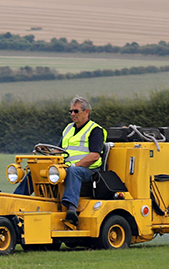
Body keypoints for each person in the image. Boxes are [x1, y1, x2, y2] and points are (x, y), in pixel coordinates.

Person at [15, 96, 105, 227]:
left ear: (86, 112)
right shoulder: (68, 128)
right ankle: (16, 200)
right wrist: (46, 150)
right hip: (67, 168)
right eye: (71, 112)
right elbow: (60, 151)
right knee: (37, 172)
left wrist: (74, 165)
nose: (73, 114)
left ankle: (71, 209)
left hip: (89, 171)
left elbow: (95, 156)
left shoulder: (95, 130)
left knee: (73, 172)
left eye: (76, 111)